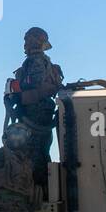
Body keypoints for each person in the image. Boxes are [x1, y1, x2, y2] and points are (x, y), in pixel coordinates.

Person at [6, 26, 64, 191]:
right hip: (38, 110)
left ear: (34, 41)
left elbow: (33, 85)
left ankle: (40, 190)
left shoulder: (35, 61)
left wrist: (16, 90)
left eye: (27, 40)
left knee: (34, 153)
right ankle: (42, 188)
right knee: (39, 151)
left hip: (36, 111)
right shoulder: (42, 61)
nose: (25, 43)